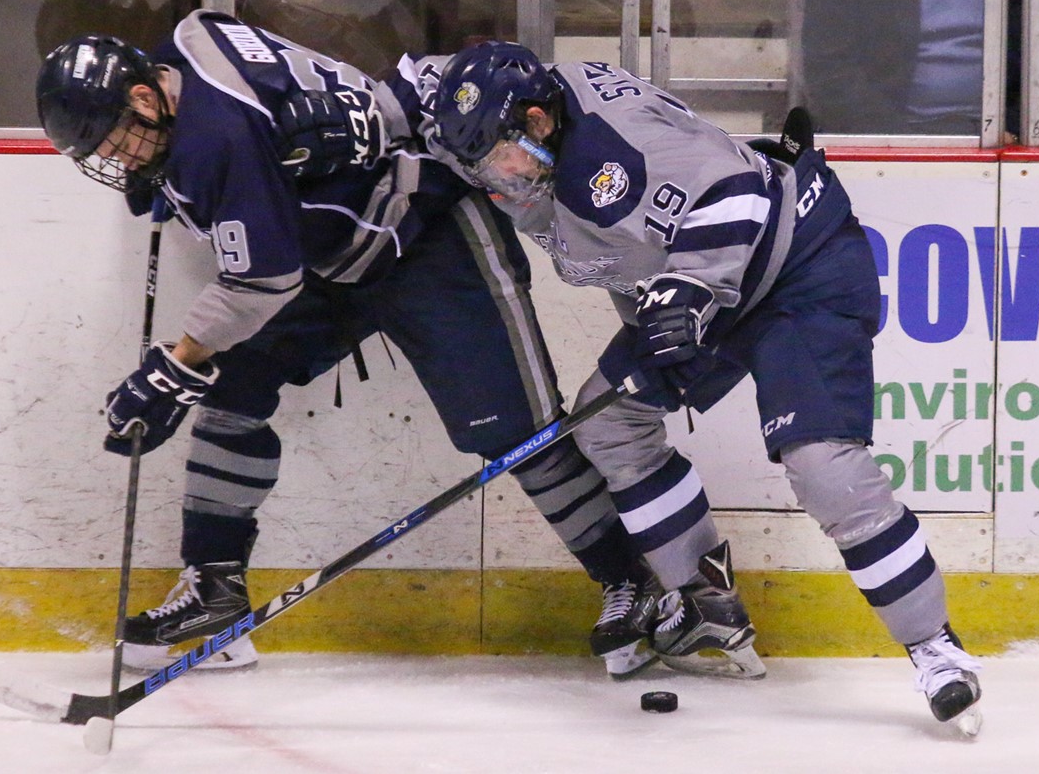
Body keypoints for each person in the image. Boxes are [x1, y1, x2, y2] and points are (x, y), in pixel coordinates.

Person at [33, 12, 662, 680]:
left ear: (141, 97)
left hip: (429, 237)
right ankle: (213, 587)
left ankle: (631, 581)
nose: (116, 158)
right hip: (331, 254)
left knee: (518, 430)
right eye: (102, 153)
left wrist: (174, 365)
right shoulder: (186, 46)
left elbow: (260, 280)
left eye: (116, 140)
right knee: (234, 387)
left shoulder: (216, 138)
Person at [416, 40, 983, 732]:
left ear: (537, 122)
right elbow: (430, 91)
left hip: (794, 271)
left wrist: (685, 290)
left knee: (821, 466)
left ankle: (935, 649)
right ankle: (703, 606)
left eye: (498, 157)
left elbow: (734, 193)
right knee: (610, 424)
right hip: (702, 287)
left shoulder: (605, 157)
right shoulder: (527, 116)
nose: (494, 178)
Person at [800, 0, 1039, 138]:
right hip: (886, 135)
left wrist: (1017, 127)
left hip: (1009, 137)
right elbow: (828, 68)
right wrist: (897, 139)